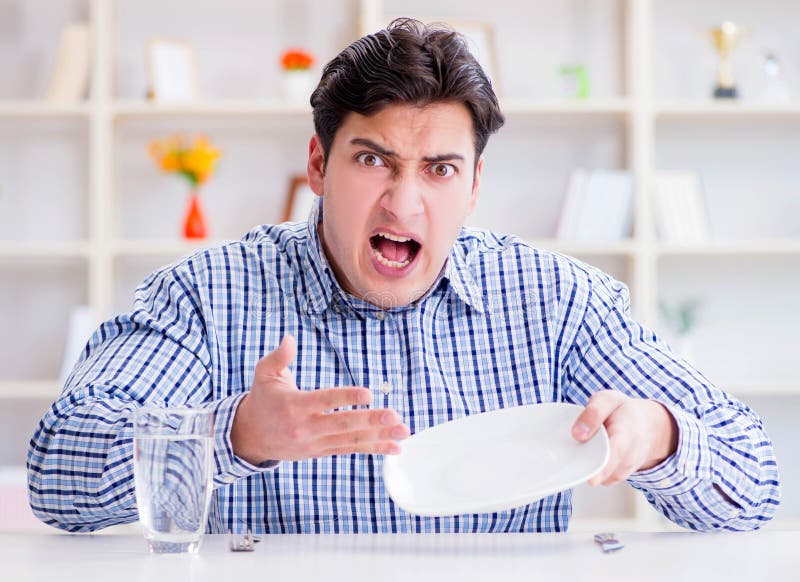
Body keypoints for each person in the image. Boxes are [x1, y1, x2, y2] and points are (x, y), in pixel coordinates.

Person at [28, 19, 779, 534]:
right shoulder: (208, 294)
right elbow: (55, 475)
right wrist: (230, 434)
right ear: (318, 166)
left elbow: (756, 483)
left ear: (475, 185)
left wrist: (660, 437)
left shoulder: (557, 302)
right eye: (372, 159)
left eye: (439, 169)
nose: (404, 200)